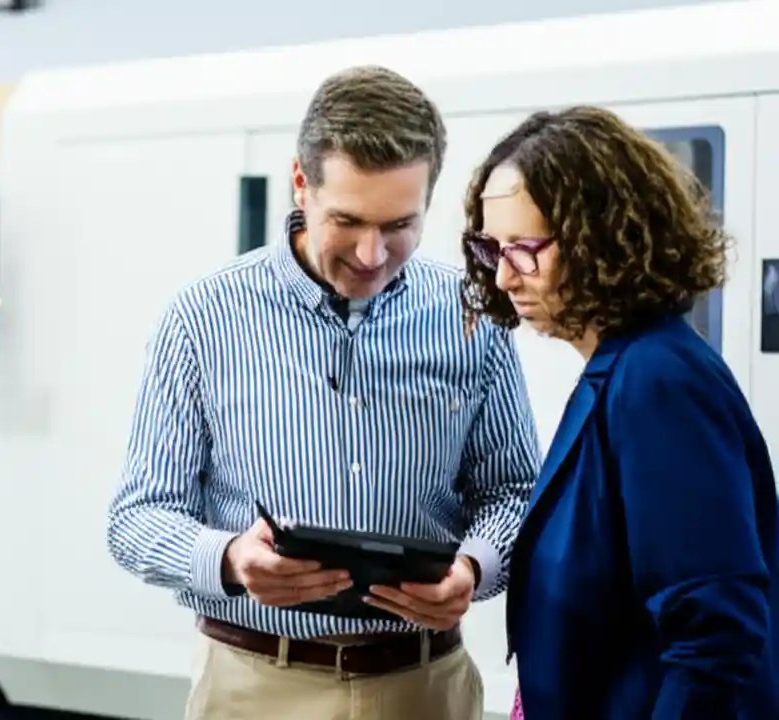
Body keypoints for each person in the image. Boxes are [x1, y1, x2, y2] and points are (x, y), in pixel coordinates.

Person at [105, 64, 541, 720]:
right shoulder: (203, 318)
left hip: (425, 688)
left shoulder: (470, 316)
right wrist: (229, 559)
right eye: (349, 221)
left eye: (400, 224)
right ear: (301, 185)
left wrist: (476, 569)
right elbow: (136, 519)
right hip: (254, 687)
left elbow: (513, 492)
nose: (372, 253)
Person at [459, 106, 779, 719]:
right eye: (490, 248)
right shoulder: (618, 369)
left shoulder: (657, 382)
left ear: (603, 240)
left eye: (525, 249)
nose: (502, 276)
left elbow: (715, 632)